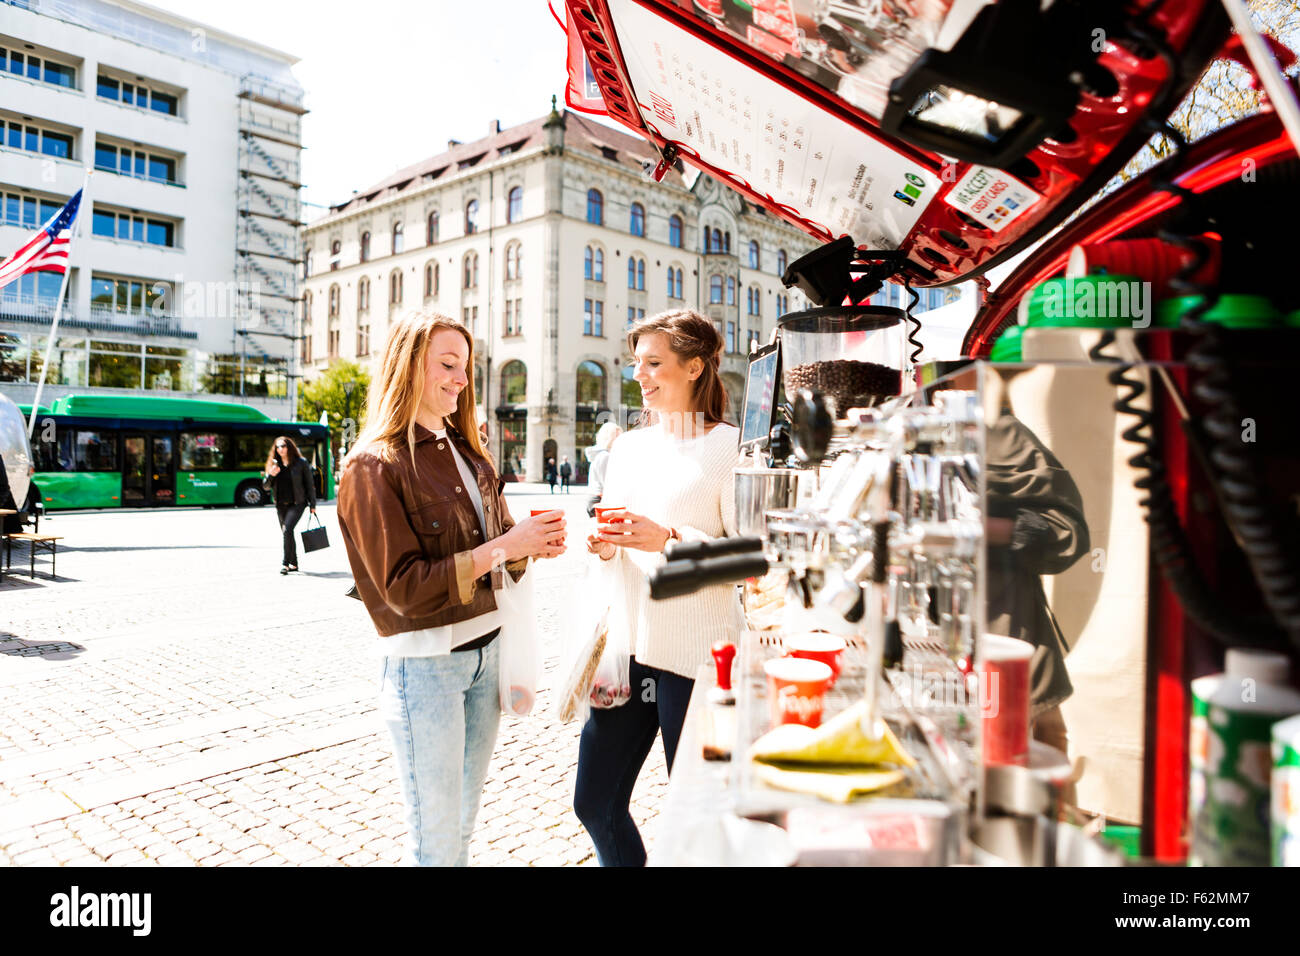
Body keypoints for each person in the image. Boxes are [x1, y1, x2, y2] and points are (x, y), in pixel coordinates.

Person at [337, 311, 565, 867]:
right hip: (426, 667)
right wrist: (507, 549)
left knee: (460, 825)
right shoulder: (373, 465)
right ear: (407, 364)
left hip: (487, 655)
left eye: (465, 366)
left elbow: (499, 553)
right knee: (435, 838)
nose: (462, 379)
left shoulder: (471, 453)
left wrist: (530, 543)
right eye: (447, 364)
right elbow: (403, 590)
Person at [574, 309, 741, 867]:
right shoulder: (629, 447)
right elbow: (617, 542)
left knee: (697, 815)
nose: (639, 376)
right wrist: (602, 543)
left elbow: (753, 560)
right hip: (629, 648)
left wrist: (668, 539)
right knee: (594, 802)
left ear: (695, 367)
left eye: (654, 363)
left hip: (697, 660)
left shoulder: (733, 449)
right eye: (635, 363)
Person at [264, 436, 317, 574]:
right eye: (278, 447)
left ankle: (285, 564)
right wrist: (271, 475)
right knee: (287, 532)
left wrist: (313, 504)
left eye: (283, 446)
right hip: (280, 505)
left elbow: (309, 485)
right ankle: (294, 563)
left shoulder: (301, 463)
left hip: (297, 503)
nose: (280, 449)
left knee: (287, 530)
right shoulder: (274, 465)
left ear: (289, 447)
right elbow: (265, 486)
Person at [585, 421, 622, 517]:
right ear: (610, 438)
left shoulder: (601, 455)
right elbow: (607, 484)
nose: (621, 440)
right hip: (599, 500)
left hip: (597, 499)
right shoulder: (604, 456)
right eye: (617, 437)